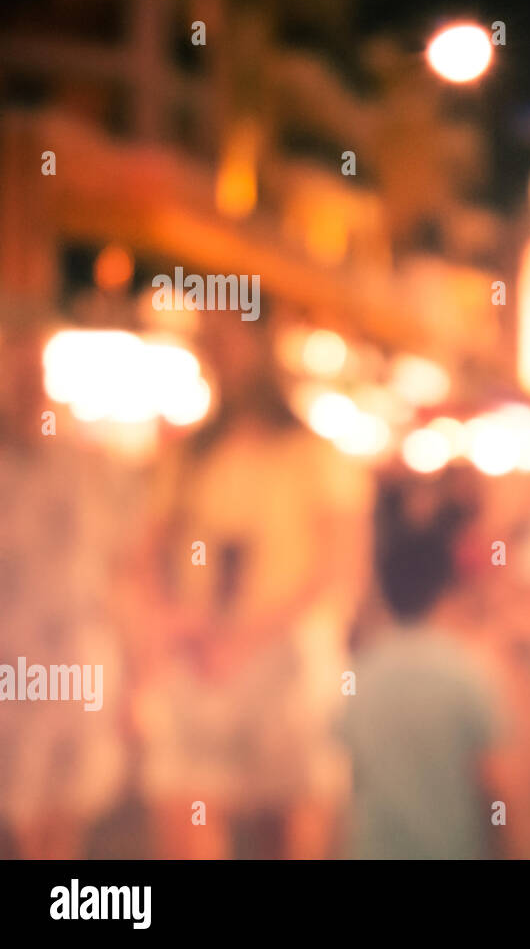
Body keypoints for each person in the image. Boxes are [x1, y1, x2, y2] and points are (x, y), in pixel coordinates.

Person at [134, 314, 372, 858]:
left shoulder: (313, 453)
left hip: (288, 659)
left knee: (294, 815)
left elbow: (340, 566)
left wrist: (250, 638)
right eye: (211, 343)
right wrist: (173, 622)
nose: (223, 357)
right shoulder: (190, 457)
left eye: (232, 341)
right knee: (185, 803)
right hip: (200, 654)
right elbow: (147, 555)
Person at [0, 327, 130, 858]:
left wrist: (136, 675)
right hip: (13, 664)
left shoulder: (86, 464)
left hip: (75, 660)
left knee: (63, 813)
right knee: (24, 808)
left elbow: (122, 568)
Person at [337, 492, 515, 859]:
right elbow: (495, 782)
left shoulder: (359, 674)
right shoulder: (466, 673)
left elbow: (349, 778)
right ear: (445, 590)